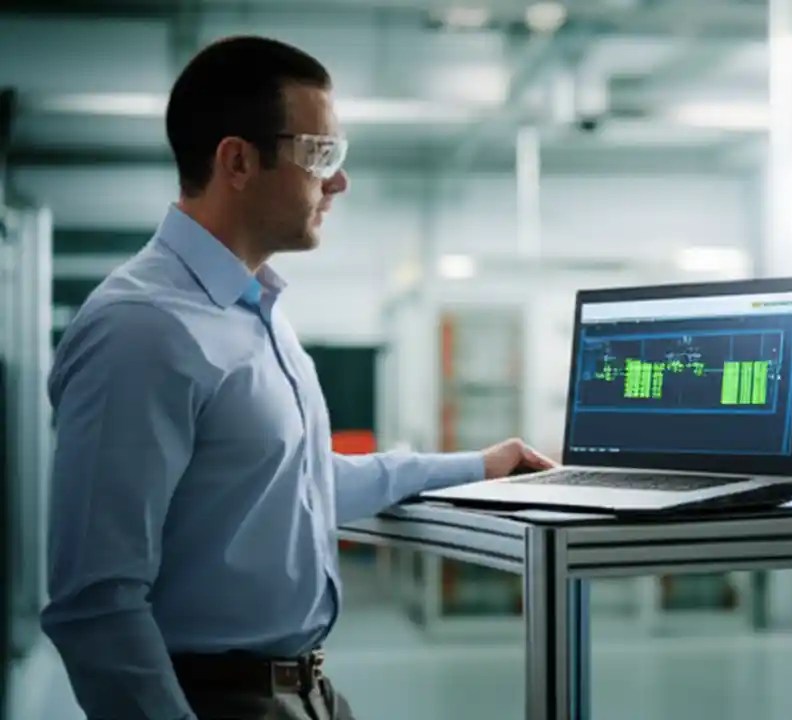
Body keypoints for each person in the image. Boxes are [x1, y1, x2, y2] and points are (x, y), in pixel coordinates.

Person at [40, 36, 555, 720]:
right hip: (214, 701)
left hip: (306, 695)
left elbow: (303, 484)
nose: (338, 182)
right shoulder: (142, 328)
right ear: (238, 161)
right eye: (321, 155)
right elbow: (95, 604)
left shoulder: (257, 312)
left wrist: (477, 466)